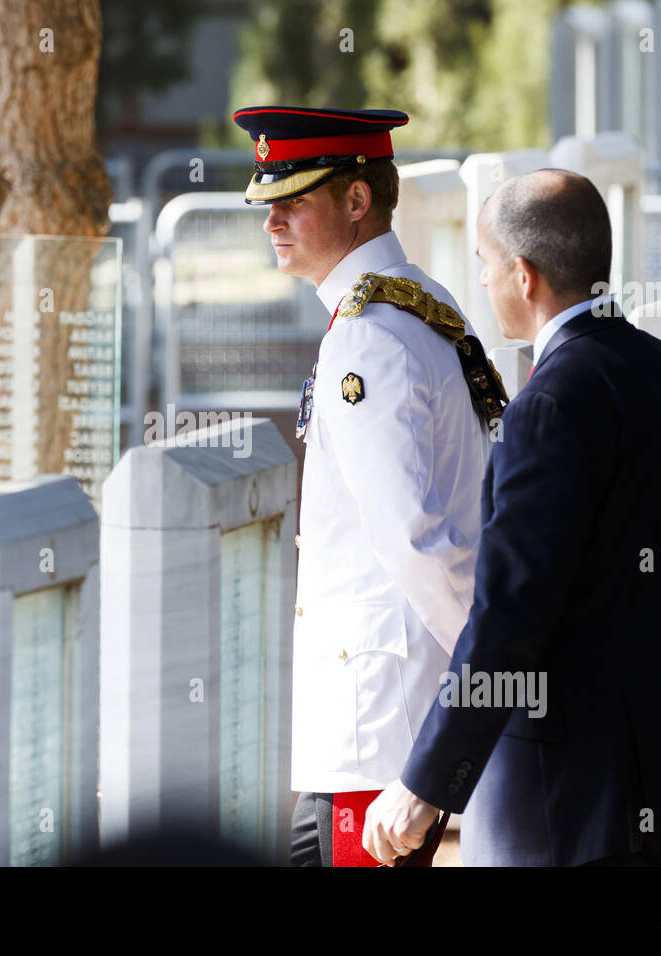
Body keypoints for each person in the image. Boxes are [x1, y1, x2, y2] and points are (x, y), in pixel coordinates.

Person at [362, 169, 661, 867]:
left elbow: (510, 611)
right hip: (657, 803)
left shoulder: (549, 404)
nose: (481, 281)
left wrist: (426, 782)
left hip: (556, 802)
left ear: (525, 275)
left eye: (484, 265)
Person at [231, 105, 506, 866]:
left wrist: (488, 681)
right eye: (267, 203)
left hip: (372, 724)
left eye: (294, 200)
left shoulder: (368, 333)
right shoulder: (420, 300)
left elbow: (414, 539)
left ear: (357, 200)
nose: (272, 221)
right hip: (372, 719)